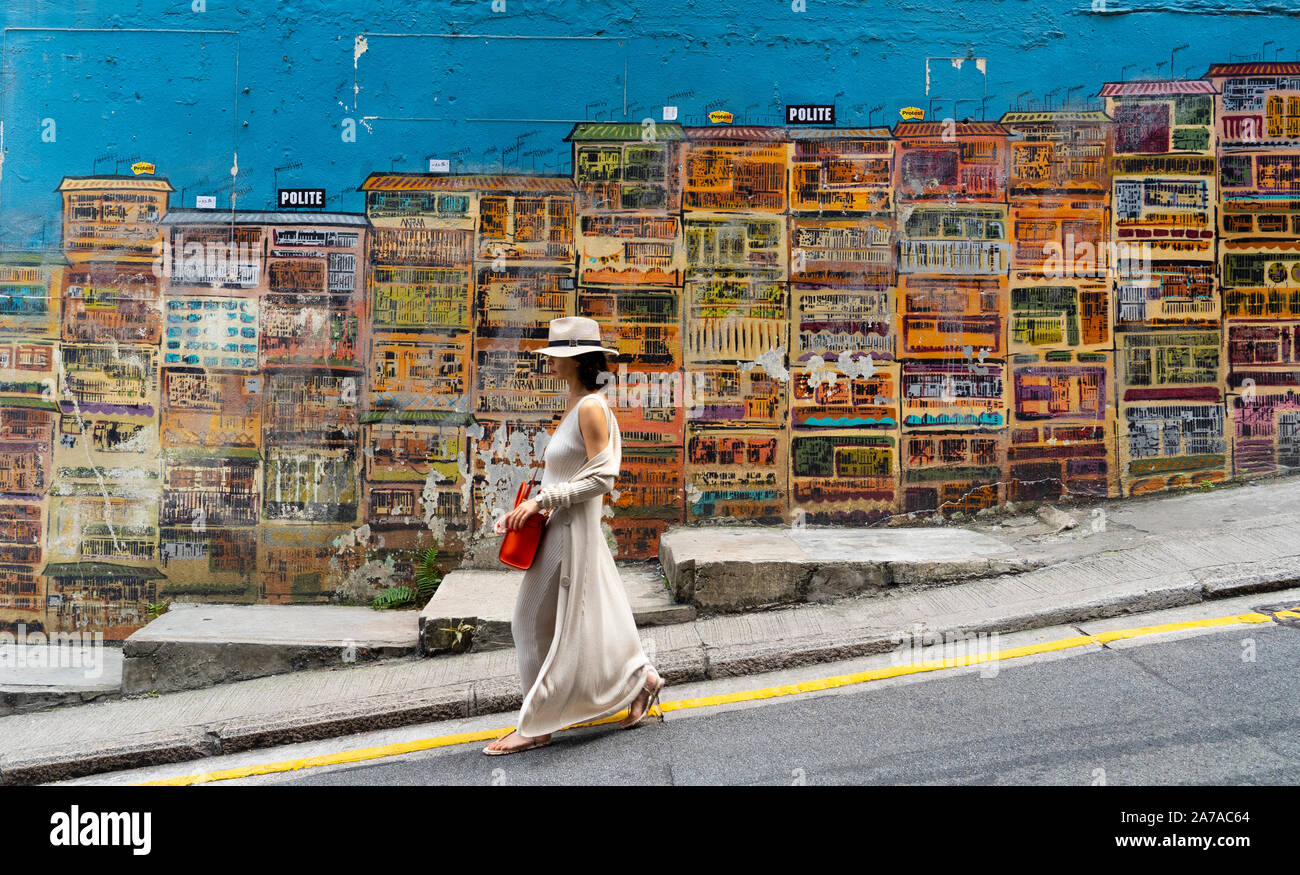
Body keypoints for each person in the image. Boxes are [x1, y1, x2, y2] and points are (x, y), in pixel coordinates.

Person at [483, 316, 666, 755]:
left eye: (559, 356)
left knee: (527, 621)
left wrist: (542, 502)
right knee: (590, 617)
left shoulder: (590, 407)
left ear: (578, 360)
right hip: (559, 524)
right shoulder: (579, 403)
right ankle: (643, 679)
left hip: (568, 528)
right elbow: (569, 471)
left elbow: (604, 477)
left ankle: (536, 725)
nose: (551, 363)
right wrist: (529, 508)